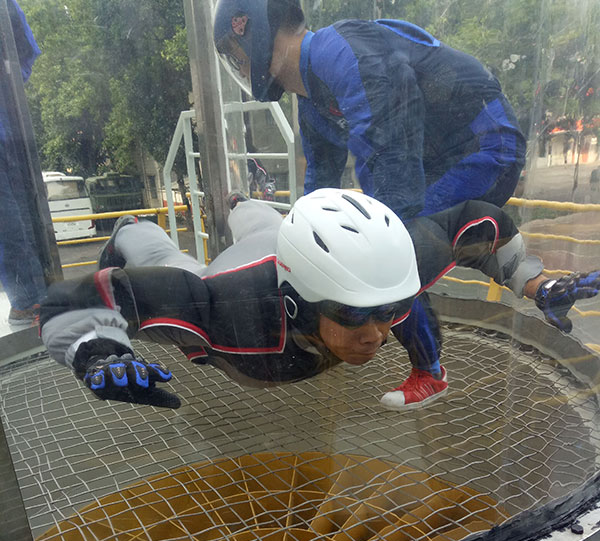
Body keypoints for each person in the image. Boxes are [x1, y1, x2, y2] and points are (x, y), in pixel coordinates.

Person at [213, 0, 527, 406]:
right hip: (435, 160)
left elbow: (391, 146)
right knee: (379, 253)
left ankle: (430, 372)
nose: (239, 66)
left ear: (253, 34)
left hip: (483, 145)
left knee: (388, 254)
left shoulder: (338, 50)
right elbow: (319, 187)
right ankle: (428, 365)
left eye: (237, 54)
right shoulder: (309, 97)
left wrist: (366, 251)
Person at [39, 189, 600, 410]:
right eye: (354, 315)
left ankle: (242, 202)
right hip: (239, 272)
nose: (376, 335)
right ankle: (139, 225)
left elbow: (482, 223)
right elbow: (70, 301)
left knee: (263, 218)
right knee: (165, 257)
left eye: (389, 312)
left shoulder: (408, 259)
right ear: (297, 303)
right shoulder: (220, 308)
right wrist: (96, 352)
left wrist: (533, 282)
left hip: (282, 238)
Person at [0, 0, 47, 327]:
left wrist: (9, 80)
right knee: (13, 217)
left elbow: (22, 51)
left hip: (8, 127)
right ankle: (30, 300)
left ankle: (31, 300)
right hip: (7, 124)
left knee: (19, 215)